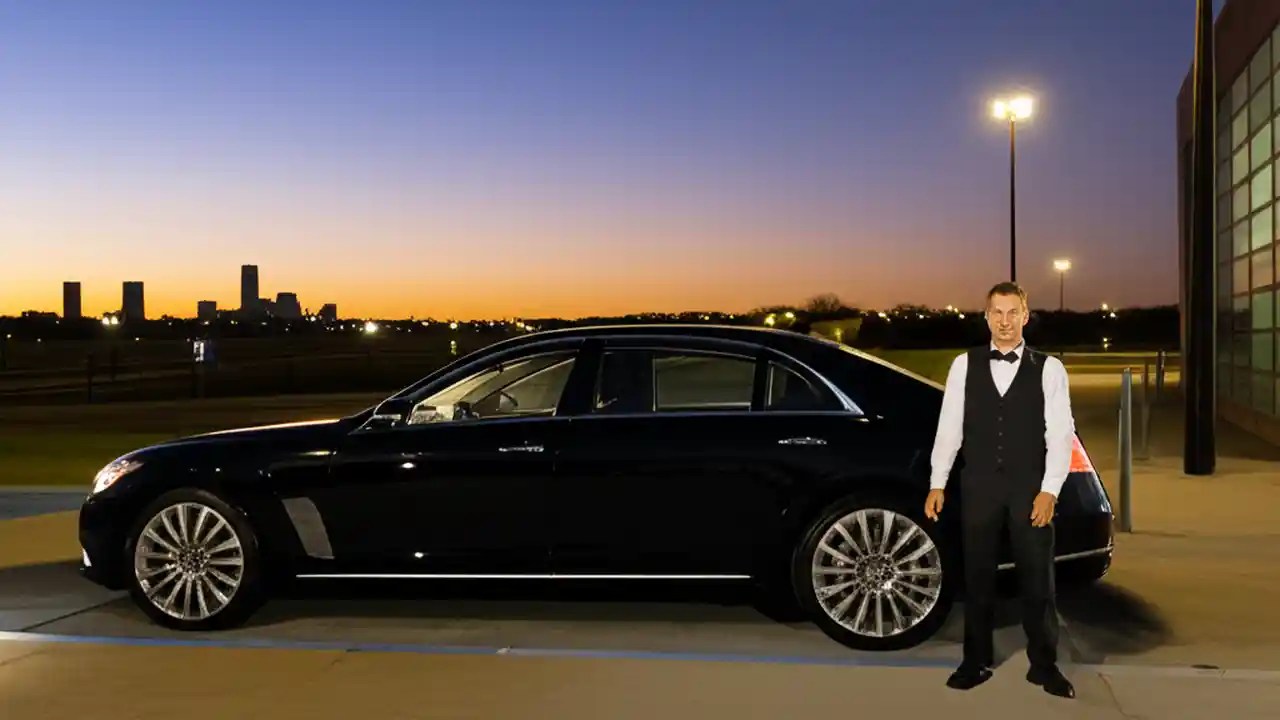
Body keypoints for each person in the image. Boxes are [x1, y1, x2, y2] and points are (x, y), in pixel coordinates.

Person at [924, 281, 1076, 699]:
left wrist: (1050, 490)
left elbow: (1061, 435)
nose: (1005, 322)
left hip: (1030, 488)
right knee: (977, 578)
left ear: (1026, 316)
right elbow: (949, 429)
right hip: (979, 486)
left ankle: (1044, 666)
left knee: (1038, 580)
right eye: (997, 313)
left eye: (1013, 313)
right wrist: (938, 482)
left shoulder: (1049, 368)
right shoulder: (963, 365)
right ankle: (974, 662)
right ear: (986, 317)